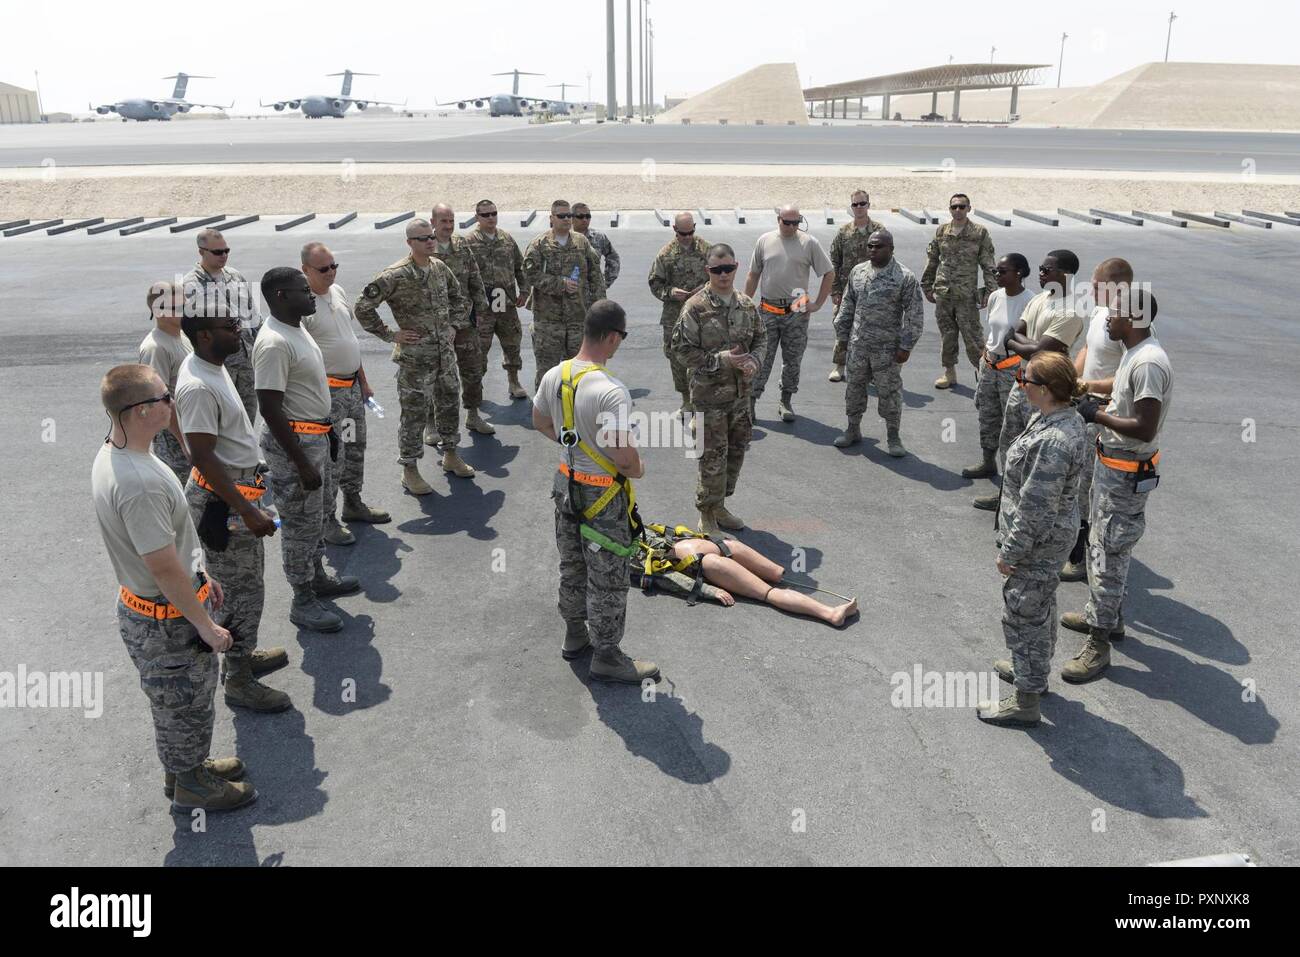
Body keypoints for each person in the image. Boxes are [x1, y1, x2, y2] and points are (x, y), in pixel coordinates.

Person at [92, 363, 255, 812]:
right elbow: (163, 567)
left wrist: (203, 577)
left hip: (154, 606)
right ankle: (190, 784)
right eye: (166, 397)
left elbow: (174, 548)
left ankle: (185, 767)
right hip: (167, 619)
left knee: (175, 703)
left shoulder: (122, 452)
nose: (173, 402)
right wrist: (205, 625)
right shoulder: (139, 482)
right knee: (184, 703)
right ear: (141, 410)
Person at [532, 300, 659, 684]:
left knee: (572, 563)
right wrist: (638, 468)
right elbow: (624, 457)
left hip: (566, 483)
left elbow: (539, 421)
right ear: (611, 336)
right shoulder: (610, 390)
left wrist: (575, 443)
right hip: (603, 496)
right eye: (620, 336)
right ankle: (606, 654)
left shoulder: (555, 374)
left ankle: (575, 634)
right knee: (608, 575)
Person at [176, 309, 291, 713]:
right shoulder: (198, 386)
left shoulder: (211, 364)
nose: (239, 332)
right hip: (225, 504)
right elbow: (202, 456)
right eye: (230, 328)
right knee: (241, 595)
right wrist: (247, 510)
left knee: (246, 588)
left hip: (238, 494)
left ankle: (243, 654)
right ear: (205, 335)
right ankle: (239, 680)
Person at [1059, 288, 1170, 684]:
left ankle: (1099, 643)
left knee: (1109, 553)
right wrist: (1087, 389)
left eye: (1116, 312)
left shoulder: (1149, 364)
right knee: (1100, 547)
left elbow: (1144, 425)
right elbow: (1119, 387)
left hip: (1126, 474)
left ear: (1135, 319)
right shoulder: (1134, 356)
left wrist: (1097, 417)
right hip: (1112, 469)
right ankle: (1108, 615)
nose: (1107, 317)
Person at [976, 351, 1089, 728]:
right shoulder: (1055, 418)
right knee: (1040, 604)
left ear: (1045, 389)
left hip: (1038, 540)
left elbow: (1035, 507)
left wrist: (1011, 552)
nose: (1021, 386)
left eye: (1026, 381)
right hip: (1049, 536)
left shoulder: (1055, 439)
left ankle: (1026, 698)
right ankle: (1034, 672)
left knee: (1023, 609)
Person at [253, 267, 361, 633]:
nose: (310, 294)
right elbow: (269, 407)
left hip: (317, 435)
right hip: (297, 446)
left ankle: (316, 577)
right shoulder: (273, 342)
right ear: (281, 296)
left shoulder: (296, 328)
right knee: (299, 524)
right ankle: (302, 599)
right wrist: (300, 461)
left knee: (315, 516)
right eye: (303, 290)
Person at [355, 218, 473, 493]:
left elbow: (460, 299)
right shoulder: (395, 275)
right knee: (414, 415)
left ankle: (451, 454)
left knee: (448, 405)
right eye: (423, 238)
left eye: (431, 236)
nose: (430, 241)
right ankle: (409, 469)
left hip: (444, 357)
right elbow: (363, 307)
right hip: (415, 361)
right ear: (410, 243)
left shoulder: (440, 268)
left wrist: (454, 326)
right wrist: (389, 334)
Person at [973, 250, 1087, 510]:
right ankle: (1006, 496)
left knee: (1035, 448)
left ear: (1065, 275)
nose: (1041, 274)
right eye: (1040, 268)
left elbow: (1037, 351)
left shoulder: (1070, 310)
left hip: (1045, 390)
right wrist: (1023, 344)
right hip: (1022, 382)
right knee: (1009, 442)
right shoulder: (1040, 300)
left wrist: (1020, 344)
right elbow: (1014, 335)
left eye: (1047, 270)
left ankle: (1024, 501)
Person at [300, 241, 391, 547]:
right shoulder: (303, 304)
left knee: (354, 449)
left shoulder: (336, 293)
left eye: (334, 266)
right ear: (306, 270)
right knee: (330, 458)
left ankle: (353, 503)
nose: (331, 273)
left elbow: (349, 340)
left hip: (351, 388)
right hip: (326, 394)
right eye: (323, 269)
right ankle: (328, 520)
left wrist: (363, 381)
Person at [671, 243, 764, 534]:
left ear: (736, 268)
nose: (723, 275)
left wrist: (755, 362)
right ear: (707, 270)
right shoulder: (696, 307)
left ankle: (720, 505)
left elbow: (761, 339)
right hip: (708, 399)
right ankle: (706, 513)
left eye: (728, 269)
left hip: (739, 397)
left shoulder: (747, 305)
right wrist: (721, 361)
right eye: (716, 270)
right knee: (711, 457)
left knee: (736, 452)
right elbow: (681, 350)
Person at [1058, 257, 1131, 582]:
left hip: (1104, 413)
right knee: (1074, 482)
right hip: (1084, 406)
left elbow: (1128, 375)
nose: (1092, 290)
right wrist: (1068, 379)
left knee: (1087, 489)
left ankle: (1080, 558)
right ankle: (1077, 546)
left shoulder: (1131, 323)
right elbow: (1087, 349)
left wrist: (1088, 386)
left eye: (1098, 285)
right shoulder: (1102, 313)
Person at [632, 525, 859, 626]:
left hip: (712, 548)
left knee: (776, 575)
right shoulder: (623, 548)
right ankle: (830, 613)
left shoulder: (625, 529)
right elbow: (666, 577)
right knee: (768, 592)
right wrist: (708, 590)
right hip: (704, 562)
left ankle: (828, 611)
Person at [831, 229, 924, 458]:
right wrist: (842, 337)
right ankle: (853, 429)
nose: (873, 250)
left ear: (891, 249)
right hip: (858, 346)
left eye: (879, 246)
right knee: (854, 390)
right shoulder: (858, 272)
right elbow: (847, 306)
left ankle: (893, 436)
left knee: (889, 394)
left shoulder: (904, 277)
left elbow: (914, 315)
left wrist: (905, 347)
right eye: (870, 246)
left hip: (887, 350)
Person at [743, 204, 833, 422]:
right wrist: (744, 304)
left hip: (797, 307)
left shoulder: (809, 243)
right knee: (761, 358)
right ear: (778, 220)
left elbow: (828, 273)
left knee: (793, 359)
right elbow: (753, 275)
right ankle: (751, 402)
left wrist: (818, 304)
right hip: (768, 308)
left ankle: (785, 401)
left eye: (796, 222)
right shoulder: (765, 241)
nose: (792, 227)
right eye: (787, 222)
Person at [961, 254, 1032, 481]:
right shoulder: (994, 297)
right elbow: (992, 332)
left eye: (1003, 272)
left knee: (1011, 423)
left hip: (1012, 368)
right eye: (996, 272)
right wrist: (984, 361)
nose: (997, 276)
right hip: (990, 364)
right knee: (987, 415)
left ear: (1019, 273)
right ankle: (988, 462)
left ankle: (1009, 476)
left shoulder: (1030, 301)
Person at [522, 199, 607, 390]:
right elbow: (530, 274)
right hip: (548, 322)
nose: (567, 219)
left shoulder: (581, 241)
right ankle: (546, 416)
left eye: (569, 215)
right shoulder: (539, 244)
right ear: (551, 218)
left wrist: (601, 308)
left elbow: (595, 274)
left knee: (579, 372)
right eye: (561, 216)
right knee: (548, 374)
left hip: (577, 317)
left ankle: (577, 413)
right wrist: (559, 284)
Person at [183, 228, 262, 426]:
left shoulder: (235, 276)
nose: (224, 255)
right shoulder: (191, 284)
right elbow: (192, 328)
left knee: (247, 417)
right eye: (218, 252)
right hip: (218, 364)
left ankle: (244, 456)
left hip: (247, 363)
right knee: (220, 420)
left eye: (226, 250)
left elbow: (253, 316)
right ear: (201, 251)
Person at [431, 203, 497, 438]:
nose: (448, 226)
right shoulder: (426, 249)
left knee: (472, 370)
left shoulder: (461, 246)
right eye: (443, 221)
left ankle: (473, 414)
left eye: (451, 221)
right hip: (436, 327)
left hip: (465, 322)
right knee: (436, 375)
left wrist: (482, 309)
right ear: (433, 223)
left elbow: (475, 278)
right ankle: (432, 423)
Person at [920, 193, 997, 389]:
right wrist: (926, 285)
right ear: (949, 209)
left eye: (961, 207)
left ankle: (985, 374)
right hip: (944, 293)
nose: (957, 210)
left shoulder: (979, 233)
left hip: (966, 296)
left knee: (973, 337)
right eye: (954, 207)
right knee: (947, 336)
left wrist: (991, 291)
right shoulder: (942, 231)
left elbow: (988, 264)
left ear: (969, 208)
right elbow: (932, 260)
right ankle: (949, 372)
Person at [464, 198, 529, 401]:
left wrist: (524, 291)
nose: (491, 218)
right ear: (477, 217)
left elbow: (520, 266)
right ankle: (476, 387)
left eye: (493, 213)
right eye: (485, 215)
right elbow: (461, 273)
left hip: (507, 305)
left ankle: (513, 381)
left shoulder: (506, 239)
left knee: (512, 344)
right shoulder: (468, 242)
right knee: (480, 349)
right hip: (482, 307)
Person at [650, 212, 710, 418]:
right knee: (676, 359)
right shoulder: (665, 254)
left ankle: (703, 400)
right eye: (683, 233)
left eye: (691, 232)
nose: (687, 236)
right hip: (675, 315)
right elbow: (655, 283)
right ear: (675, 230)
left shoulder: (706, 250)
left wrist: (705, 288)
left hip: (703, 314)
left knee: (705, 356)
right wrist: (670, 292)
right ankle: (686, 401)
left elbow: (721, 276)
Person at [827, 190, 884, 382]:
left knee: (872, 331)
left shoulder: (879, 231)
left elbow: (887, 260)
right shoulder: (844, 232)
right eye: (855, 205)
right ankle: (839, 366)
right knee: (843, 327)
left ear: (869, 205)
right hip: (847, 291)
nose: (859, 208)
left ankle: (872, 371)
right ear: (851, 207)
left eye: (862, 204)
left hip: (873, 291)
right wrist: (835, 290)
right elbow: (834, 261)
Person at [139, 281, 192, 483]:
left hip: (189, 425)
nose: (186, 311)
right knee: (182, 491)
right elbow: (159, 399)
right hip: (173, 435)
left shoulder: (183, 337)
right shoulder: (156, 348)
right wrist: (183, 442)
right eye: (178, 307)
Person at [572, 202, 621, 288]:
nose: (585, 219)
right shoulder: (564, 237)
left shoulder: (598, 237)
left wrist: (605, 282)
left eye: (588, 216)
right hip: (569, 294)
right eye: (580, 216)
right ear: (572, 218)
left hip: (594, 294)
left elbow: (613, 258)